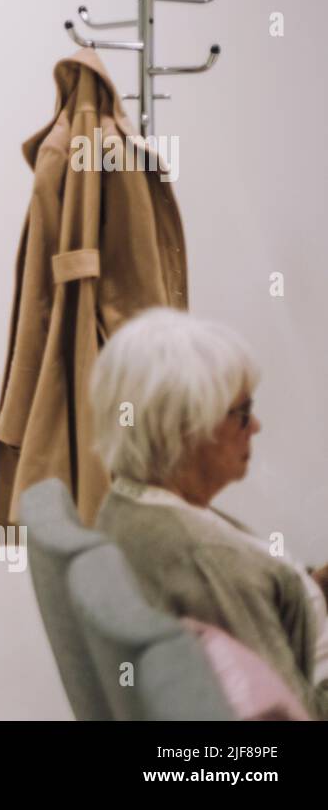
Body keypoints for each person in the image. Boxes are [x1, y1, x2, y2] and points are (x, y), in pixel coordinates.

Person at [89, 307, 328, 718]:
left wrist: (310, 586)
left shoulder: (127, 505)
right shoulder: (207, 564)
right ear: (186, 428)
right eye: (241, 412)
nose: (256, 426)